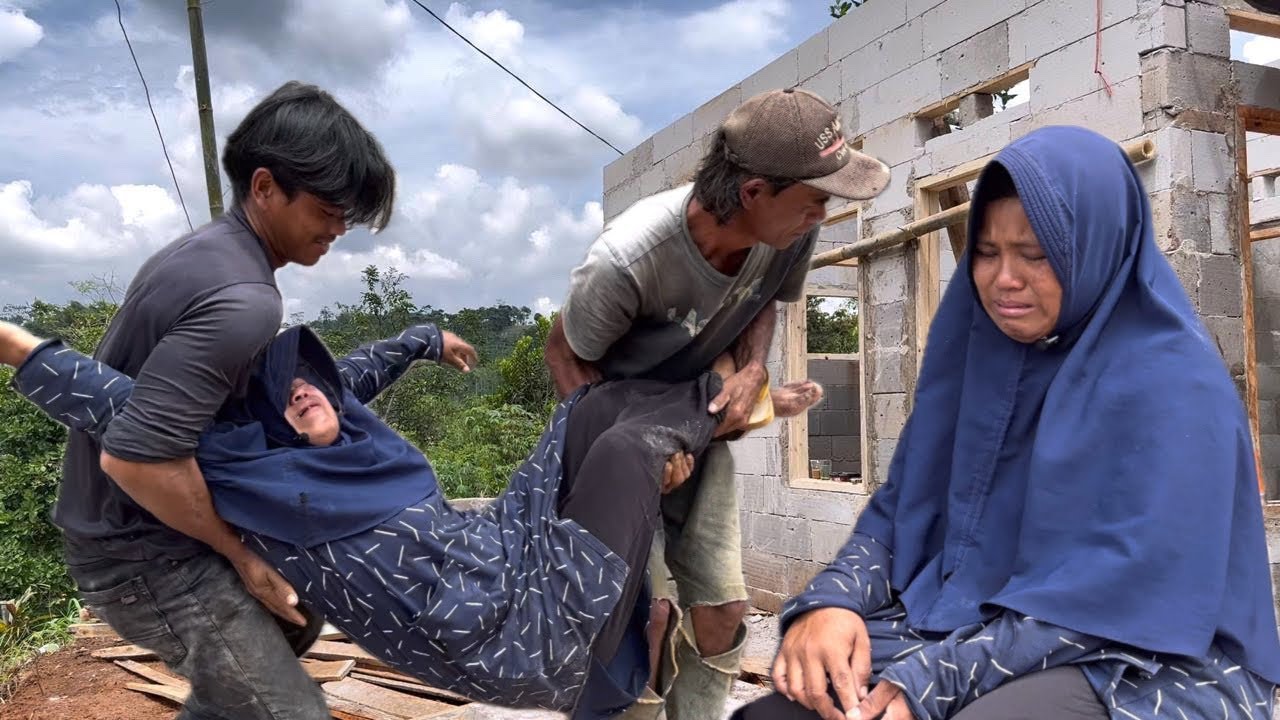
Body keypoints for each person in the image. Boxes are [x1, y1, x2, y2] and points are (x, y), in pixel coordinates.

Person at [731, 125, 1280, 720]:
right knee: (778, 713)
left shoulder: (1175, 386)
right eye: (986, 252)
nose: (1004, 279)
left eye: (1037, 254)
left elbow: (1129, 591)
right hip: (972, 624)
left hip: (1149, 654)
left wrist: (936, 679)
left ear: (1097, 246)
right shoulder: (979, 363)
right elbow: (898, 514)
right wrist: (829, 605)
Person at [0, 317, 744, 718]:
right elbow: (103, 396)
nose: (300, 393)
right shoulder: (245, 469)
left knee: (597, 407)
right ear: (262, 424)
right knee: (624, 453)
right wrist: (9, 340)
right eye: (278, 397)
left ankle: (698, 418)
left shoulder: (342, 414)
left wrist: (425, 339)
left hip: (504, 550)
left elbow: (354, 371)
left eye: (304, 378)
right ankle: (731, 401)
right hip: (511, 633)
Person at [51, 81, 395, 719]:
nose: (339, 229)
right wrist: (241, 556)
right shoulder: (244, 297)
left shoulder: (203, 253)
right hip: (142, 555)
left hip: (122, 529)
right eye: (327, 208)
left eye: (348, 213)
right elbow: (135, 461)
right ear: (264, 187)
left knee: (292, 624)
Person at [545, 87, 891, 719]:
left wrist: (754, 369)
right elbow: (564, 354)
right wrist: (630, 458)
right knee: (640, 619)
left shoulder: (789, 227)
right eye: (816, 199)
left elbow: (764, 301)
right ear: (755, 192)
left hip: (694, 431)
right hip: (615, 442)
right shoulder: (629, 259)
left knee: (723, 612)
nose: (822, 213)